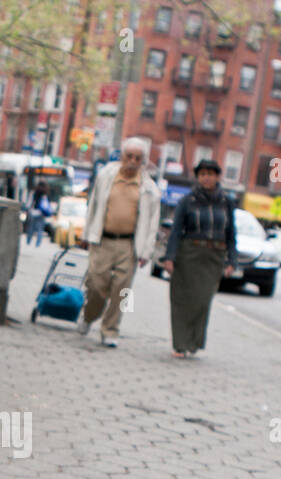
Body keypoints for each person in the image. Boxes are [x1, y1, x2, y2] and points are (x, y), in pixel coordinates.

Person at [77, 137, 161, 348]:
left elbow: (152, 224)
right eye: (129, 156)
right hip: (102, 239)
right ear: (122, 156)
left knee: (122, 291)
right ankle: (88, 316)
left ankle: (111, 330)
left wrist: (146, 252)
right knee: (96, 285)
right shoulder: (106, 176)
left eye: (138, 158)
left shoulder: (150, 188)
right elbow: (93, 206)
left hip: (129, 246)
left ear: (143, 161)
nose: (132, 161)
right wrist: (86, 235)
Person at [160, 159, 236, 359]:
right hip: (189, 254)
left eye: (210, 174)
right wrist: (170, 257)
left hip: (214, 257)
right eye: (202, 174)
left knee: (203, 300)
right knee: (182, 300)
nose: (206, 178)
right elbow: (176, 231)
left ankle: (193, 342)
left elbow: (231, 233)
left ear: (217, 176)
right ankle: (180, 344)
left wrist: (232, 261)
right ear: (197, 177)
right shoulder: (188, 201)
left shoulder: (226, 202)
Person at [24, 180, 51, 246]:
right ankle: (38, 244)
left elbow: (29, 203)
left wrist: (27, 210)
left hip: (33, 212)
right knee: (40, 229)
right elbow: (46, 205)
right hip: (41, 213)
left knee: (31, 228)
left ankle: (28, 241)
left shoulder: (34, 193)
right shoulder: (45, 194)